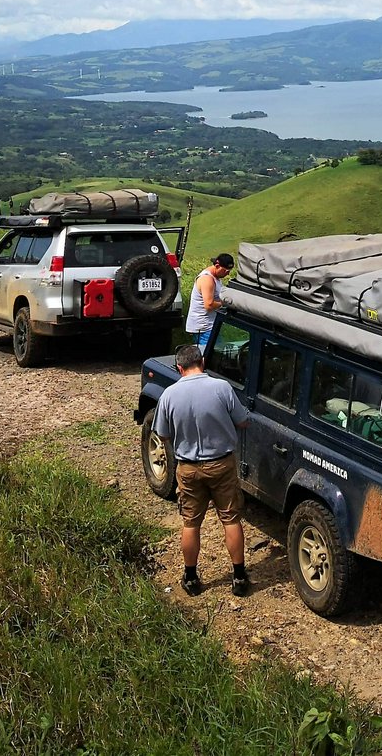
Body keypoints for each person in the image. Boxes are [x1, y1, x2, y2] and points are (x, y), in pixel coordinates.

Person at [152, 343, 252, 596]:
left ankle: (191, 576)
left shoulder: (169, 395)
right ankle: (239, 577)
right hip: (221, 464)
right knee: (230, 519)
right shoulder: (222, 388)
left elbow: (162, 435)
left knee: (191, 523)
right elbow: (242, 421)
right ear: (202, 362)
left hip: (188, 469)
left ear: (179, 367)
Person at [186, 253, 233, 349]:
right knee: (211, 354)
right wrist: (226, 303)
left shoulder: (216, 276)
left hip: (210, 325)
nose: (227, 274)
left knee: (218, 351)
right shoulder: (207, 279)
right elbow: (209, 305)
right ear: (217, 266)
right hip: (203, 327)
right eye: (225, 271)